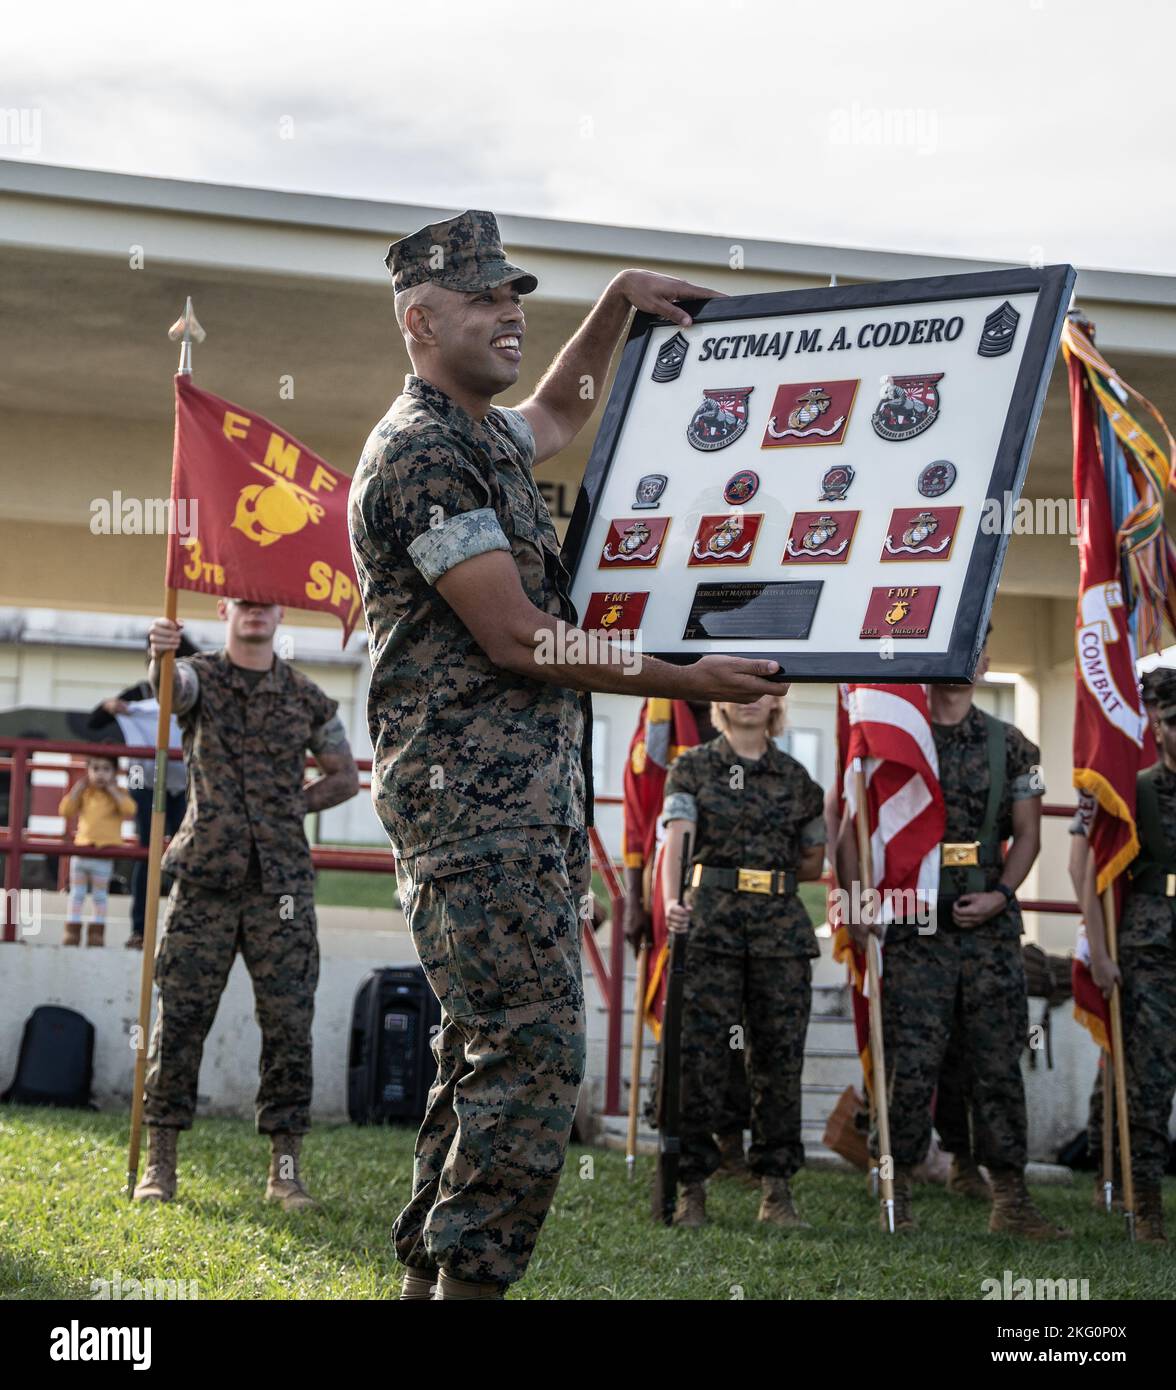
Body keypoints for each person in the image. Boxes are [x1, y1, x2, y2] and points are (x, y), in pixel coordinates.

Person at [349, 209, 784, 1301]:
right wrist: (691, 678)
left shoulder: (481, 434)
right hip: (467, 807)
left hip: (517, 805)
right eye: (487, 299)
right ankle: (471, 1286)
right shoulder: (420, 451)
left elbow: (557, 412)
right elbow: (518, 634)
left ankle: (429, 1287)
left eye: (518, 296)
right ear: (420, 318)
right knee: (533, 1054)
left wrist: (617, 303)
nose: (511, 314)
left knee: (485, 1051)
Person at [837, 633, 1067, 1237]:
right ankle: (899, 1192)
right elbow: (850, 832)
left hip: (988, 929)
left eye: (977, 650)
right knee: (910, 1063)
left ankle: (1010, 1200)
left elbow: (1030, 835)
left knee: (995, 1060)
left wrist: (1002, 893)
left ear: (987, 660)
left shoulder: (1013, 744)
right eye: (955, 648)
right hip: (913, 924)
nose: (966, 661)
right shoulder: (895, 737)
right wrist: (857, 907)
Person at [134, 598, 358, 1209]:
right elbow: (168, 694)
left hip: (280, 886)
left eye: (266, 602)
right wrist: (160, 655)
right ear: (225, 608)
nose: (256, 610)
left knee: (288, 1027)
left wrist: (293, 807)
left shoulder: (307, 696)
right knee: (179, 1020)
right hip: (204, 877)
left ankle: (284, 1174)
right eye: (245, 601)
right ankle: (160, 1166)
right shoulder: (198, 677)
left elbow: (344, 776)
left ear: (279, 614)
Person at [661, 694, 825, 1228]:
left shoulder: (798, 778)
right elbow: (678, 842)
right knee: (699, 1060)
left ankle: (776, 1191)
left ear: (777, 705)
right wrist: (671, 900)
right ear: (720, 705)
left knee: (780, 1062)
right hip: (709, 929)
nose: (750, 702)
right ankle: (692, 1189)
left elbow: (811, 860)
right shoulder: (691, 767)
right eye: (738, 691)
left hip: (780, 934)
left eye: (762, 693)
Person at [622, 698, 752, 1176]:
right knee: (679, 1015)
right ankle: (674, 1136)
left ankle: (734, 1141)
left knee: (737, 1021)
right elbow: (639, 813)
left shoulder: (749, 710)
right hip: (673, 896)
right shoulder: (660, 715)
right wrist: (634, 899)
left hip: (739, 901)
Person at [1081, 671, 1176, 1243]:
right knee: (1148, 1087)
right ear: (1158, 731)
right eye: (1172, 723)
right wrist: (1099, 956)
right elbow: (1095, 875)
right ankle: (1147, 1209)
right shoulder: (1134, 790)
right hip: (1152, 953)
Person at [87, 642, 194, 949]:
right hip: (146, 781)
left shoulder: (192, 696)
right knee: (146, 852)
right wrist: (110, 706)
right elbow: (95, 722)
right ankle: (139, 931)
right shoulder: (139, 695)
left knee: (185, 854)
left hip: (185, 784)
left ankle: (183, 931)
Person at [58, 753, 136, 947]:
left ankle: (96, 935)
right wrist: (76, 790)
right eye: (95, 769)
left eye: (106, 769)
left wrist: (114, 791)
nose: (100, 774)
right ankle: (72, 933)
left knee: (100, 896)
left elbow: (129, 810)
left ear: (115, 773)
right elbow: (65, 810)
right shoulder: (85, 793)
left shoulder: (119, 793)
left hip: (104, 854)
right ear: (88, 771)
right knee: (76, 894)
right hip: (82, 852)